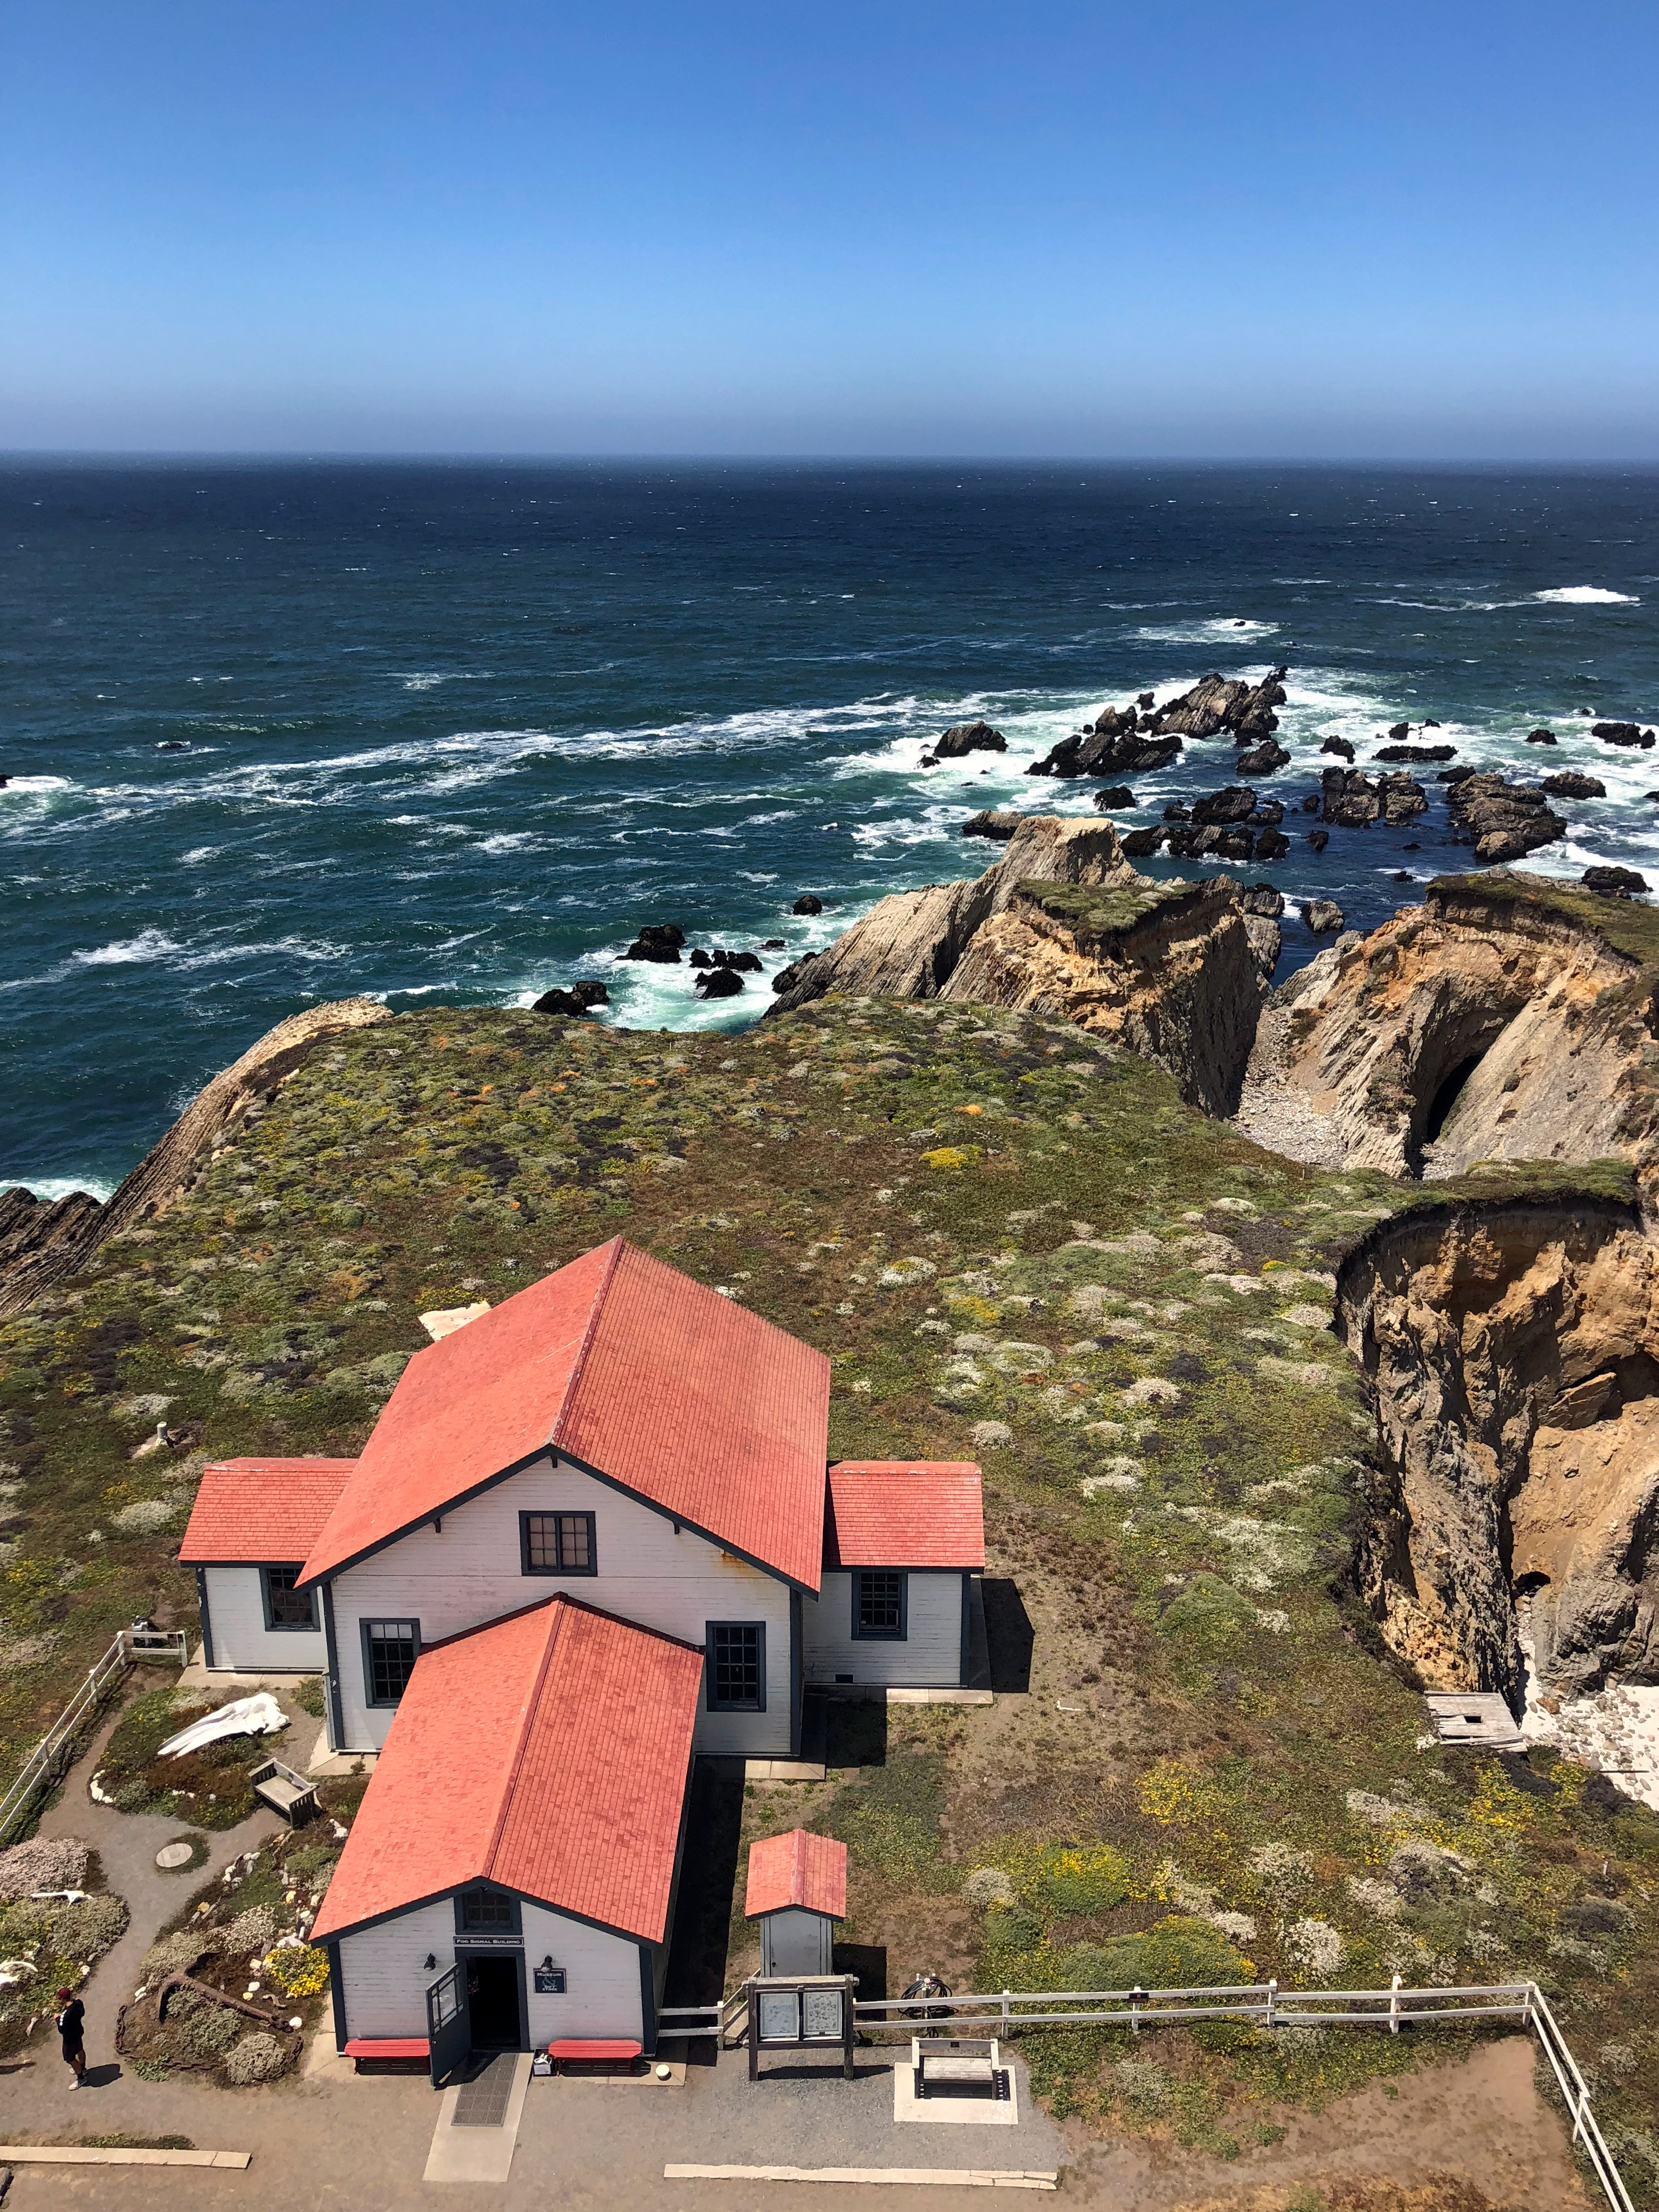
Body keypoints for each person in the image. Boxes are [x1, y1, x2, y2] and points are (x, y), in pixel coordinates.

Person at [55, 1988, 86, 2087]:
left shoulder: (66, 2014)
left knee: (70, 2058)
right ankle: (83, 2068)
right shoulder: (78, 2003)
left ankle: (81, 2078)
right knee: (80, 2050)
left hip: (70, 2039)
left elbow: (61, 2029)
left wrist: (57, 2018)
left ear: (63, 1999)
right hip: (78, 2033)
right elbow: (82, 2013)